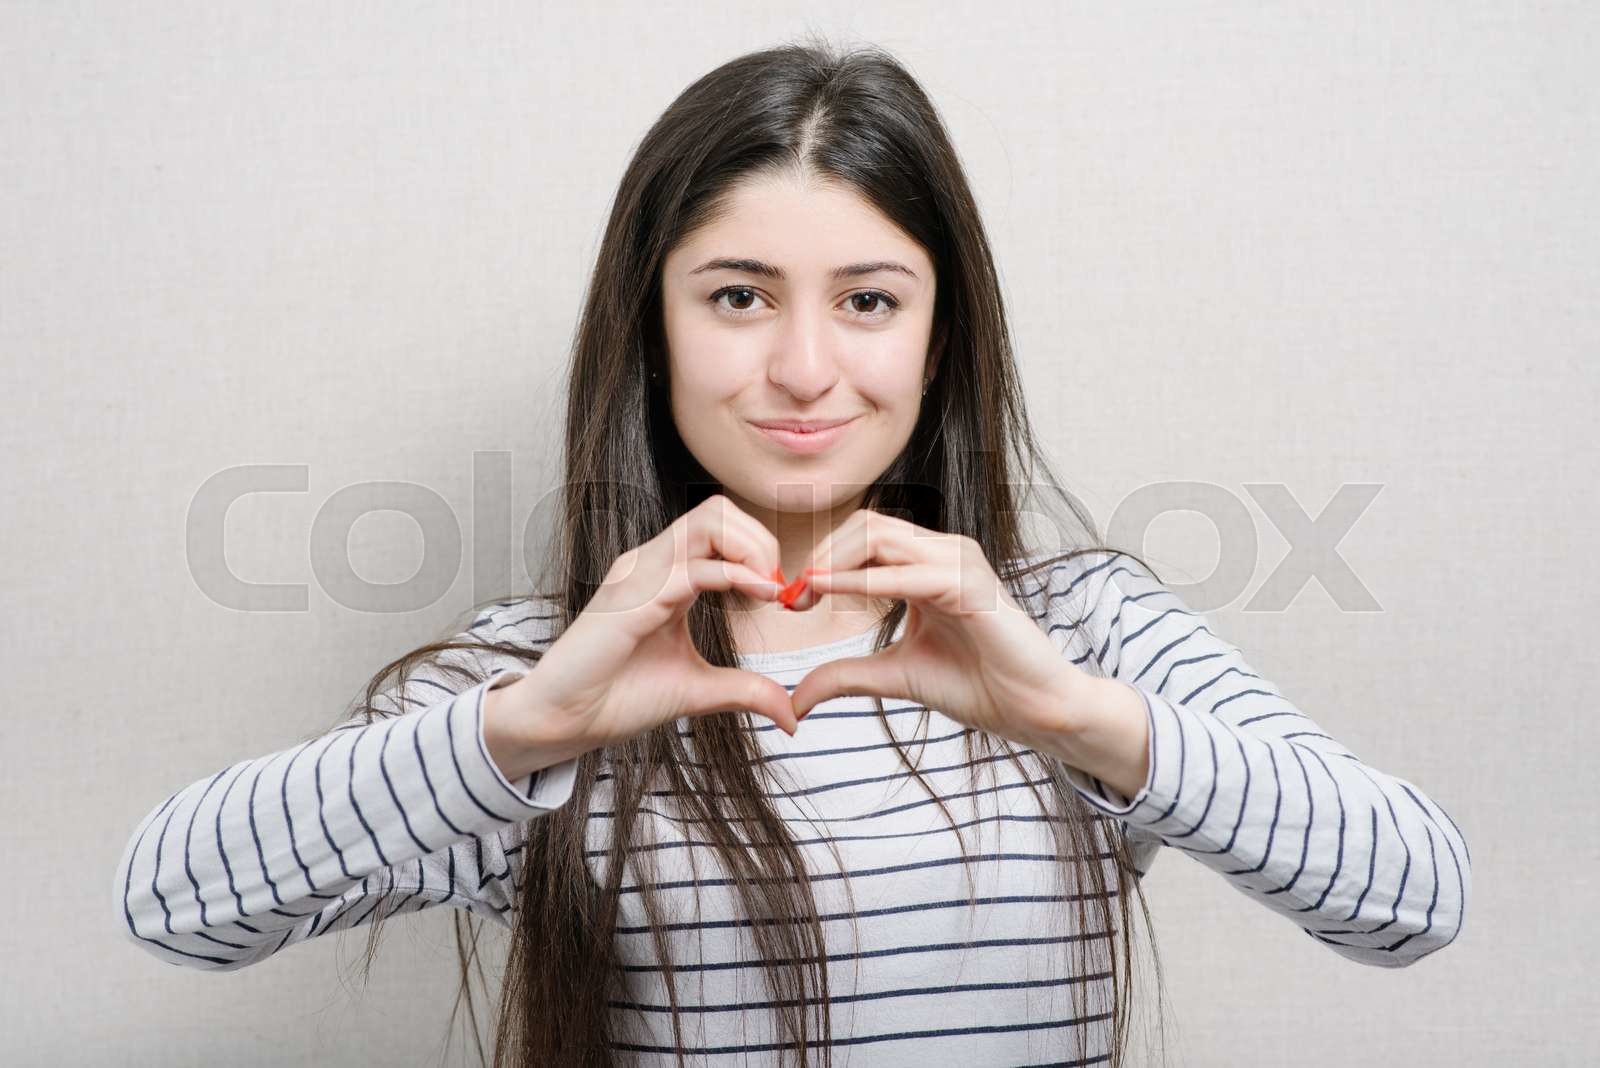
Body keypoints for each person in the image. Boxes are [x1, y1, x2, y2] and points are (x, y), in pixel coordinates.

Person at [112, 36, 1471, 1068]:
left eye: (869, 301)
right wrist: (524, 727)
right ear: (652, 330)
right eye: (739, 298)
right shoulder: (548, 672)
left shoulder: (1076, 629)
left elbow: (1414, 901)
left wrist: (1070, 715)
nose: (805, 369)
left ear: (941, 336)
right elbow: (176, 907)